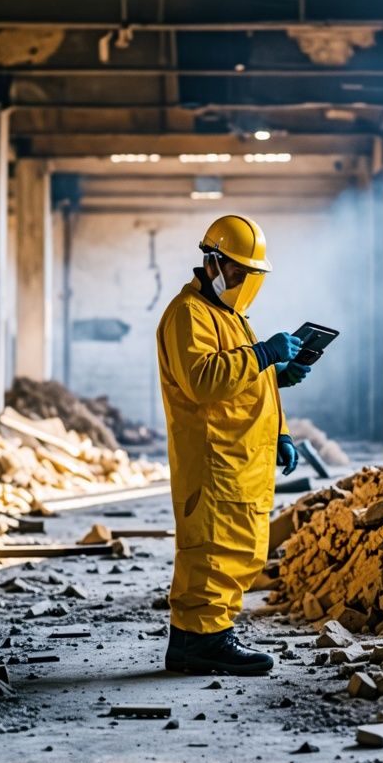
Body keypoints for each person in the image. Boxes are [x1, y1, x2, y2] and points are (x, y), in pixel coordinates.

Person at [155, 214, 312, 675]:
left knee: (239, 552)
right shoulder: (189, 314)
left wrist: (280, 427)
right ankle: (201, 640)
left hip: (241, 458)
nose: (244, 282)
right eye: (238, 271)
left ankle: (207, 636)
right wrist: (264, 354)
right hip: (213, 459)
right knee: (211, 553)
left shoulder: (231, 317)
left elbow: (245, 382)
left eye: (250, 274)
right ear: (213, 262)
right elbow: (204, 380)